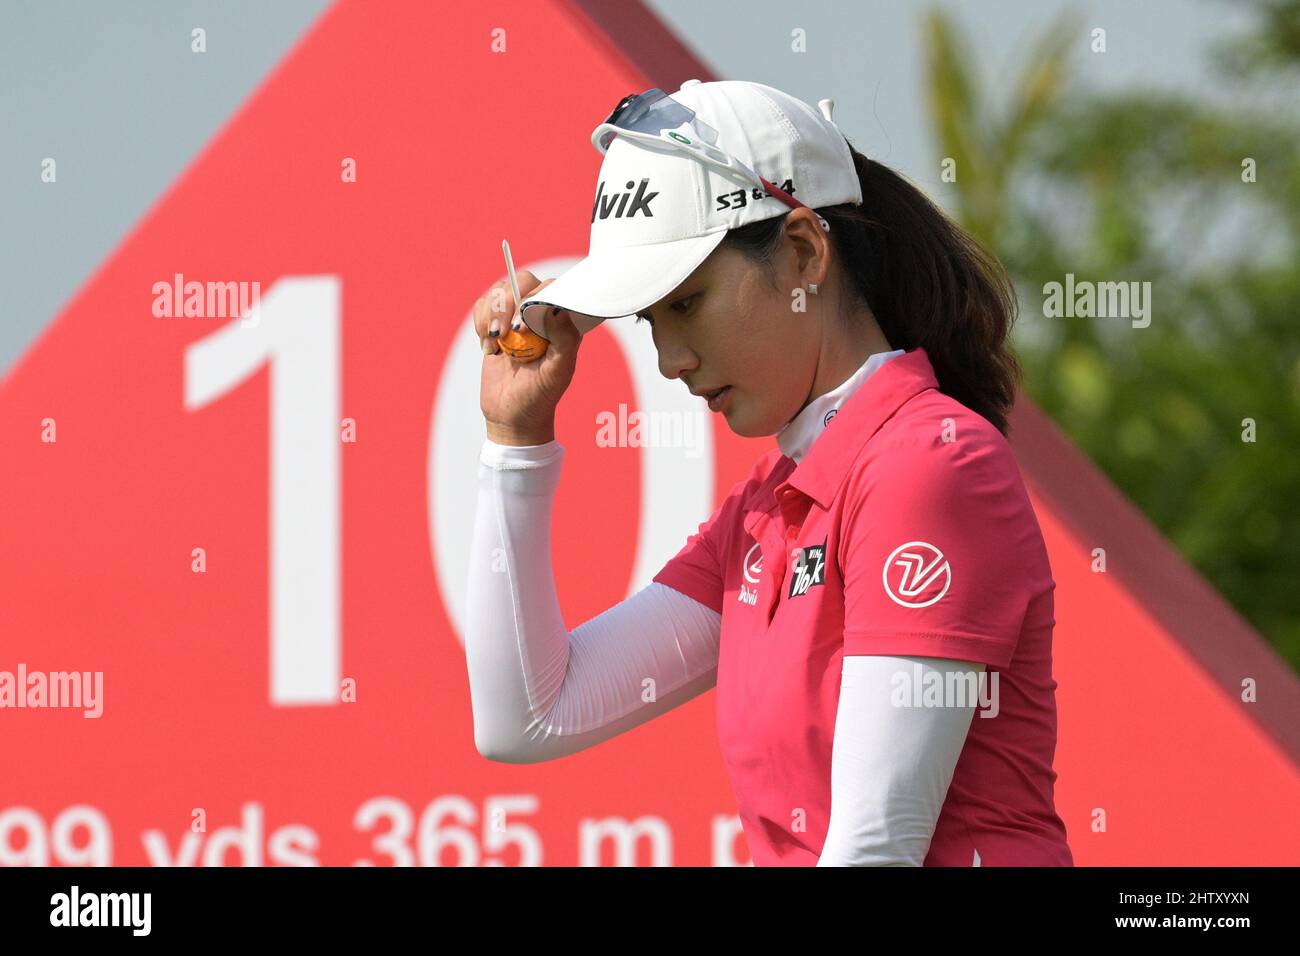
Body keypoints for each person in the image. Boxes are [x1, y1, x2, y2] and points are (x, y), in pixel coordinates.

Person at [465, 79, 1072, 866]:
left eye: (687, 304)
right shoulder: (767, 508)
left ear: (803, 252)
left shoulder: (931, 462)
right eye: (650, 321)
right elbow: (527, 719)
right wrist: (514, 437)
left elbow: (876, 848)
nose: (669, 360)